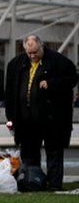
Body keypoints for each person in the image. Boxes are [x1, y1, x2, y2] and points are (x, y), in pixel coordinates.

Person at [5, 35, 78, 191]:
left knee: (54, 152)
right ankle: (33, 182)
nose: (32, 56)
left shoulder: (59, 61)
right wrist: (11, 117)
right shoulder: (16, 64)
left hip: (51, 118)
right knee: (29, 154)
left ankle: (54, 185)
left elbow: (72, 78)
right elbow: (10, 92)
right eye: (29, 53)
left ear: (41, 46)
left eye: (35, 52)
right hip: (26, 119)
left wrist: (52, 83)